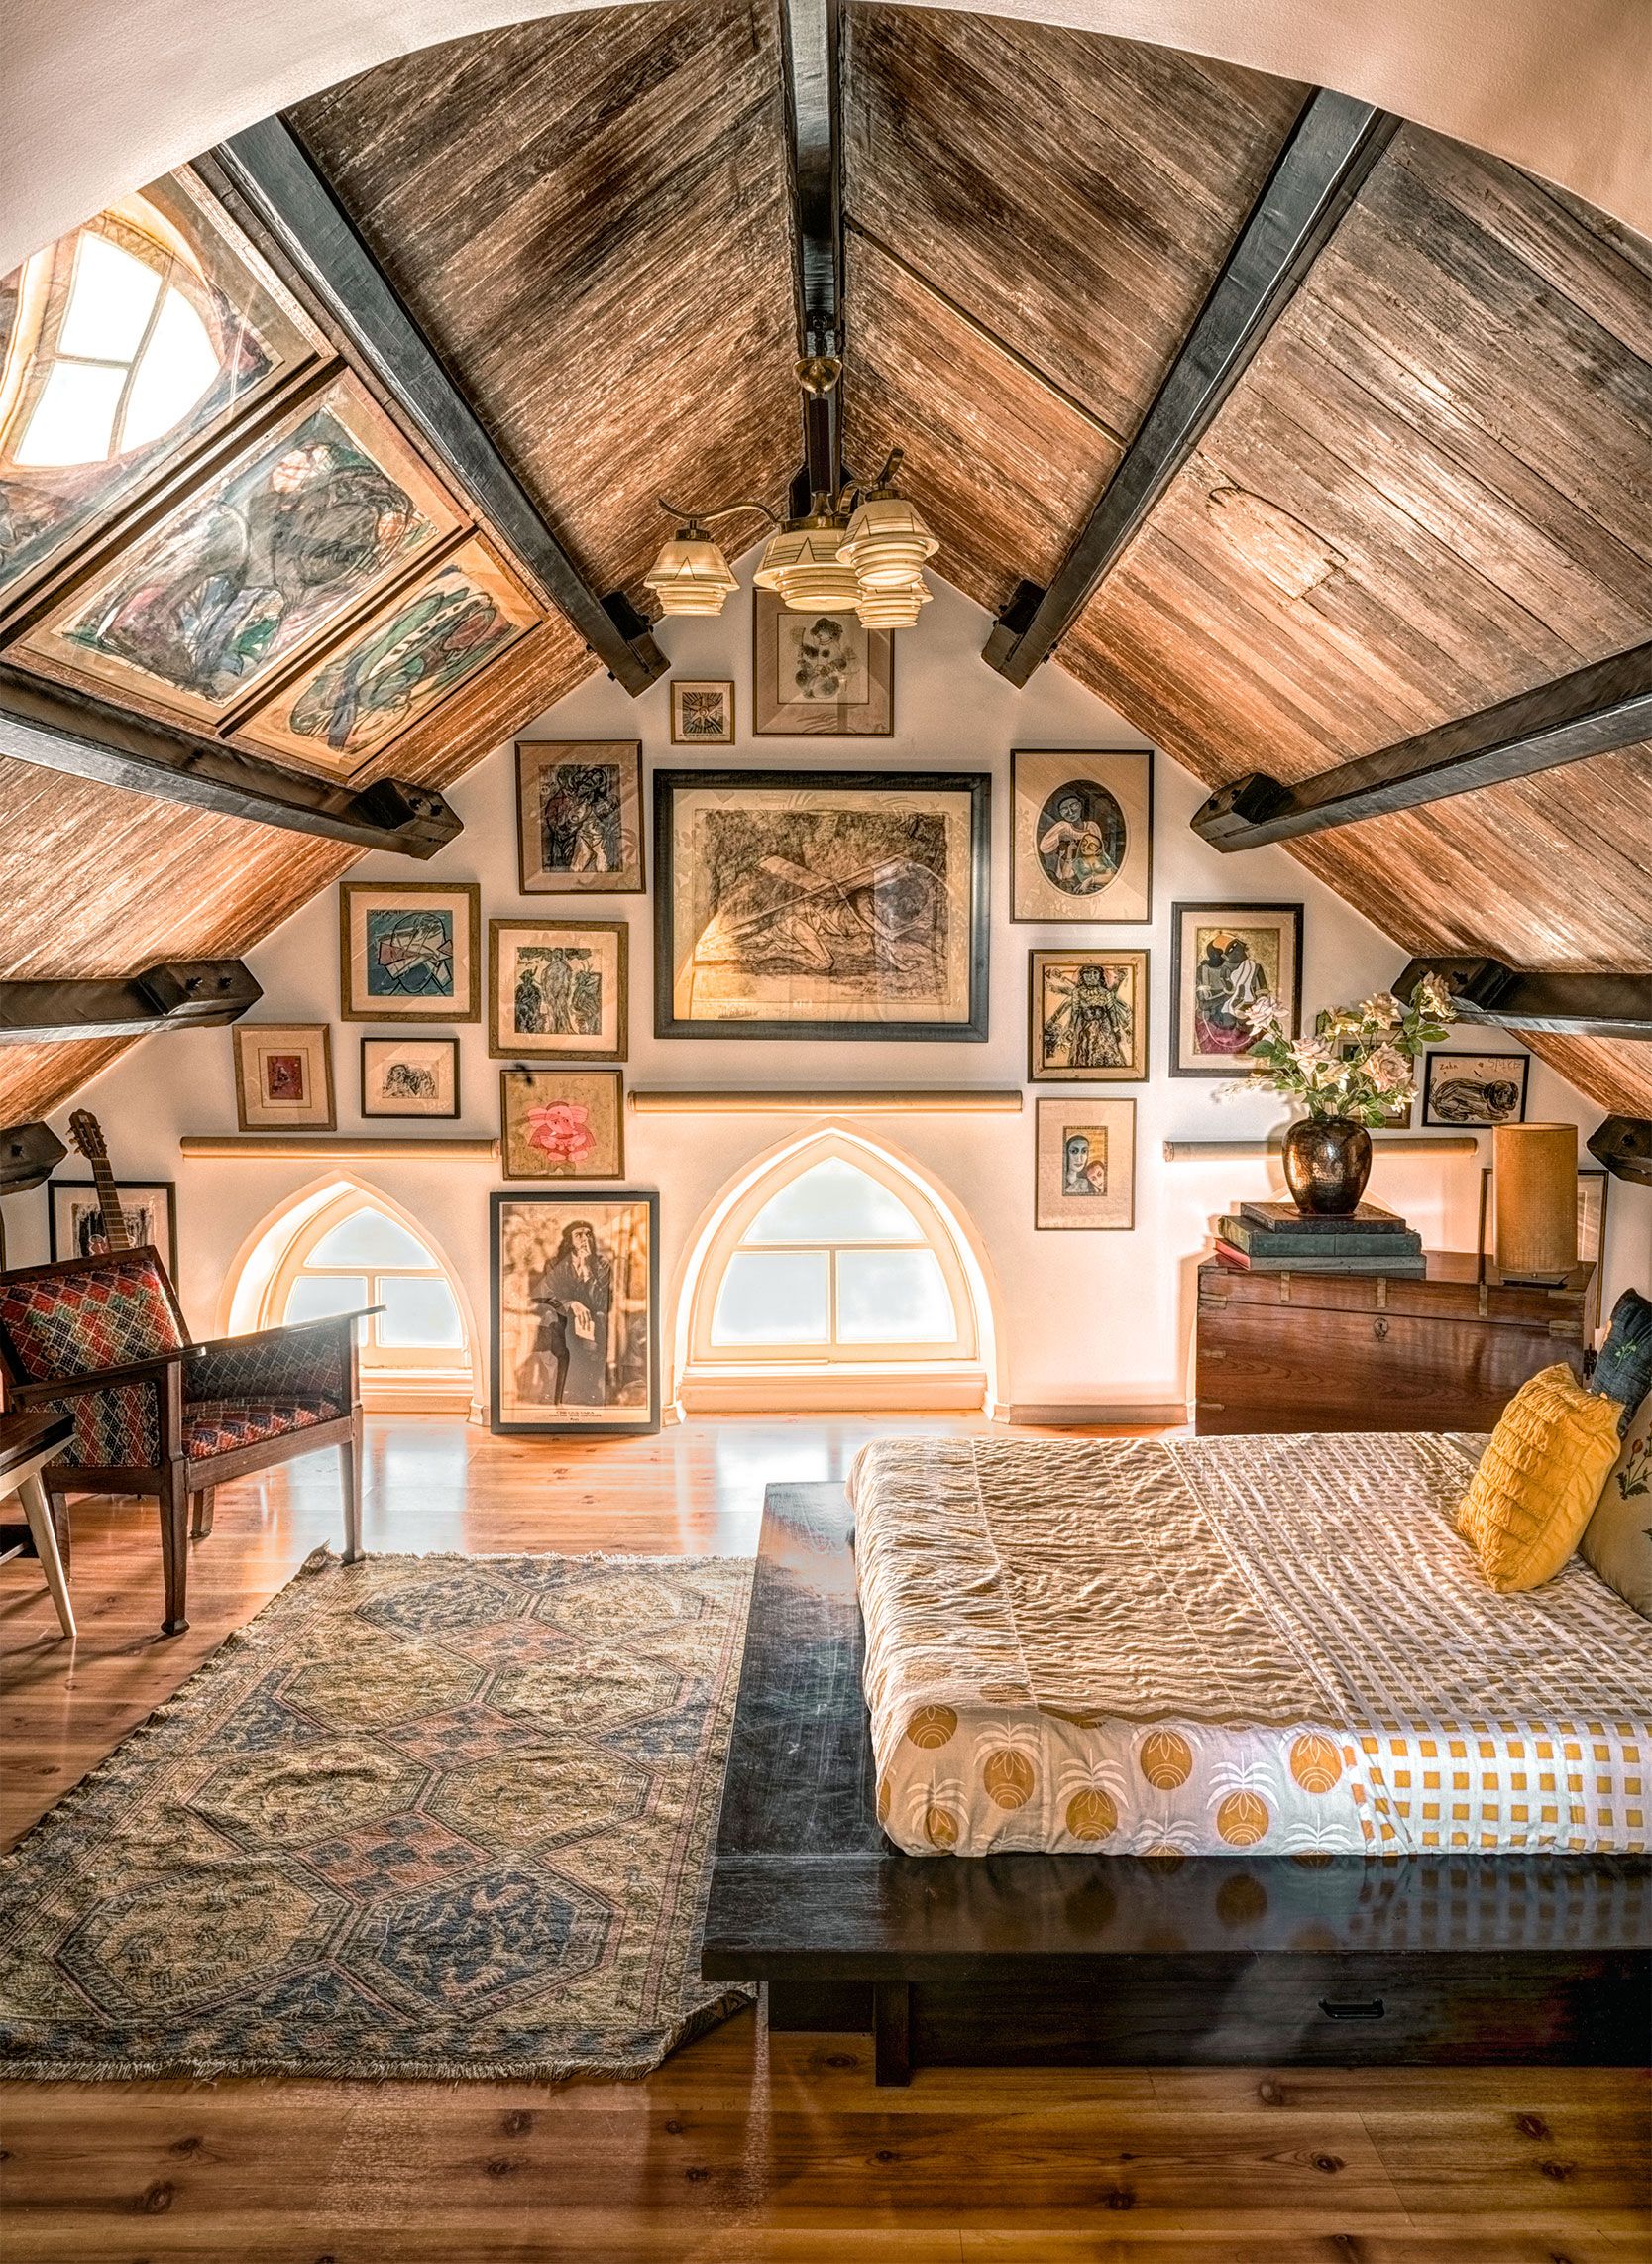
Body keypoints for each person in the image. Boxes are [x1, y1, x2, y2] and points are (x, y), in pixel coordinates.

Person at [532, 1221, 613, 1405]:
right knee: (550, 1320)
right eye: (579, 1235)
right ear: (569, 1240)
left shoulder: (601, 1265)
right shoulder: (554, 1264)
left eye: (588, 1234)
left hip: (589, 1318)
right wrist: (571, 1305)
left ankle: (587, 1388)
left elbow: (602, 1303)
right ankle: (555, 1387)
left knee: (598, 1321)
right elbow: (547, 1296)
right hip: (562, 1316)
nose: (585, 1239)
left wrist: (586, 1270)